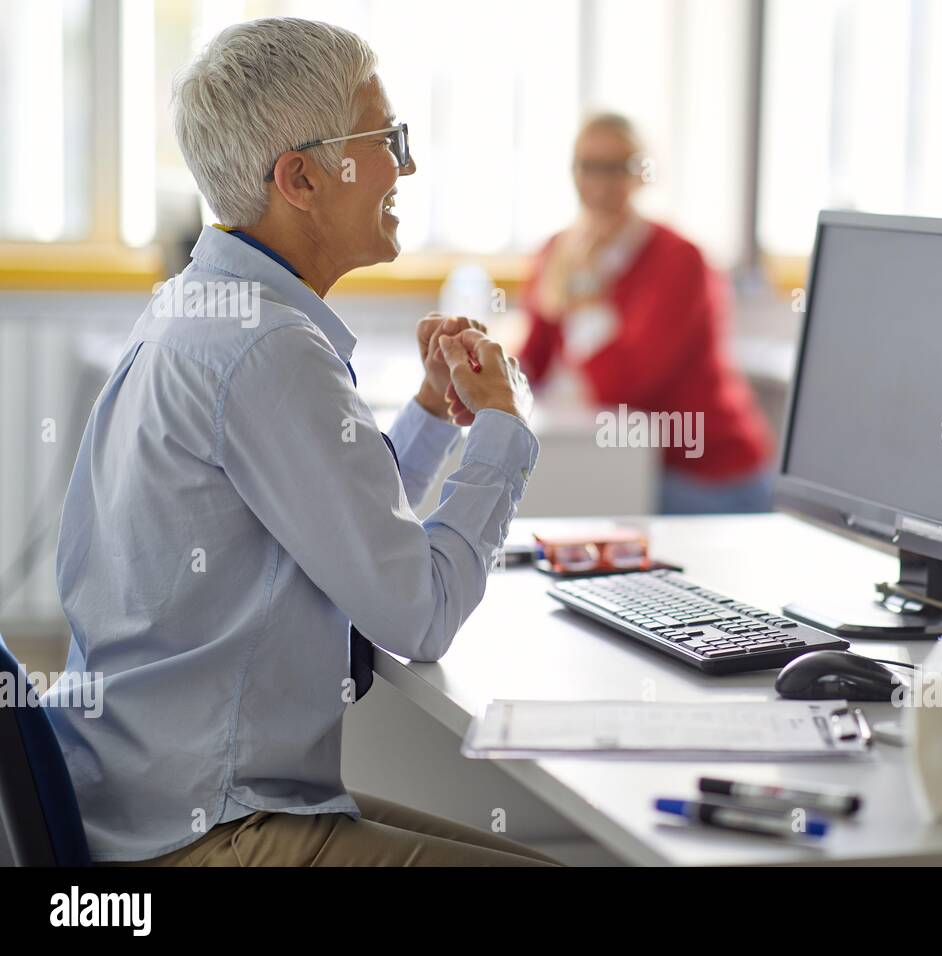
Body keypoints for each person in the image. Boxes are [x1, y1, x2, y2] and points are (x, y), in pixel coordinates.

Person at [43, 18, 557, 866]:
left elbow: (325, 512)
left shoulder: (204, 308)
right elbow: (418, 615)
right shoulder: (268, 348)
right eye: (387, 139)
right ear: (301, 177)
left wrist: (433, 409)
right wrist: (503, 430)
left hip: (144, 799)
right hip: (209, 828)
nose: (409, 165)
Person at [518, 113, 774, 514]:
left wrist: (585, 299)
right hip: (623, 462)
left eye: (617, 167)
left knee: (569, 508)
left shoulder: (680, 260)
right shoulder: (559, 250)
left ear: (641, 175)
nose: (600, 183)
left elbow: (624, 389)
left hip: (704, 474)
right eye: (588, 166)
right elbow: (533, 361)